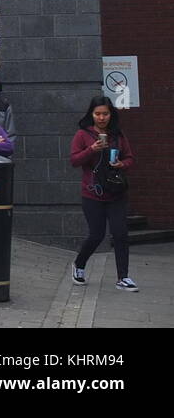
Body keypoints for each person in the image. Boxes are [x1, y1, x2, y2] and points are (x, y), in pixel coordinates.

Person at [70, 96, 138, 292]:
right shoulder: (83, 134)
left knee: (120, 233)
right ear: (91, 114)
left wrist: (121, 164)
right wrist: (91, 150)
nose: (101, 118)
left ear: (111, 114)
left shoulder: (118, 135)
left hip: (116, 192)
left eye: (105, 114)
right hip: (92, 193)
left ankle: (123, 277)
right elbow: (74, 161)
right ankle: (79, 264)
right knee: (97, 234)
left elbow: (130, 158)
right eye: (98, 114)